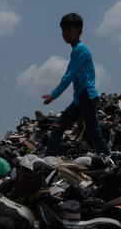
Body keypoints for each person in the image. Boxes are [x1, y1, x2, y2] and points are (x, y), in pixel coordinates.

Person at [43, 13, 110, 158]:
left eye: (69, 30)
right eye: (63, 31)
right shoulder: (76, 50)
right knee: (59, 126)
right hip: (80, 98)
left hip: (86, 96)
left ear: (79, 31)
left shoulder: (80, 50)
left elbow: (69, 75)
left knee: (93, 132)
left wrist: (53, 95)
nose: (65, 34)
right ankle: (49, 159)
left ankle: (108, 160)